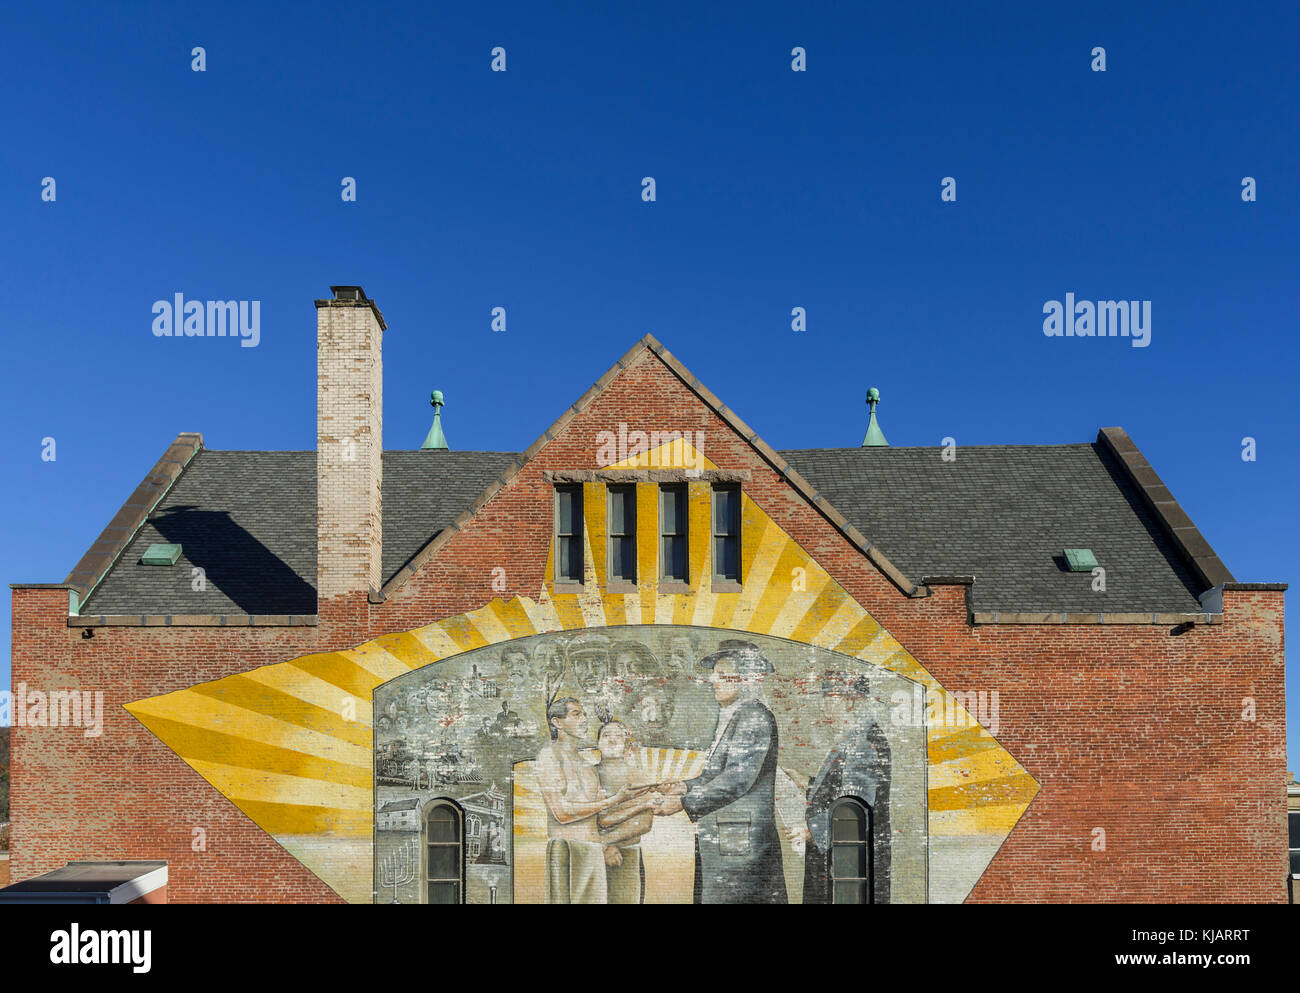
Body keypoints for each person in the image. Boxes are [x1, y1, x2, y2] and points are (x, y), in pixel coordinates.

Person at [654, 640, 787, 904]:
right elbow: (717, 775)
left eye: (722, 673)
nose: (713, 679)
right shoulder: (737, 715)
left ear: (746, 679)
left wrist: (683, 802)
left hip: (740, 843)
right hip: (730, 839)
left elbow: (737, 779)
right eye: (714, 672)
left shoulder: (753, 717)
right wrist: (684, 785)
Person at [535, 696, 659, 903]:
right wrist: (615, 802)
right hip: (568, 848)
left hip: (594, 851)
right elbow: (562, 813)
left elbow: (599, 819)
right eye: (577, 714)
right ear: (557, 723)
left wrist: (605, 844)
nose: (584, 719)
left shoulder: (586, 767)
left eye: (584, 714)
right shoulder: (549, 756)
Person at [786, 673, 890, 904]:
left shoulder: (863, 741)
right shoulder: (854, 736)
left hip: (847, 859)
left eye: (828, 697)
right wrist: (809, 783)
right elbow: (844, 788)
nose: (823, 705)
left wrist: (814, 829)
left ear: (850, 701)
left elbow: (857, 802)